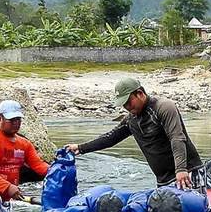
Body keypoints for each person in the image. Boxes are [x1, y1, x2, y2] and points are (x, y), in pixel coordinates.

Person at [65, 77, 202, 189]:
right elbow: (110, 138)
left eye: (128, 102)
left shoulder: (163, 107)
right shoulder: (131, 120)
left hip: (188, 172)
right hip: (163, 181)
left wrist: (181, 170)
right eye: (123, 104)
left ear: (140, 93)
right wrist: (80, 148)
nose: (127, 107)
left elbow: (177, 138)